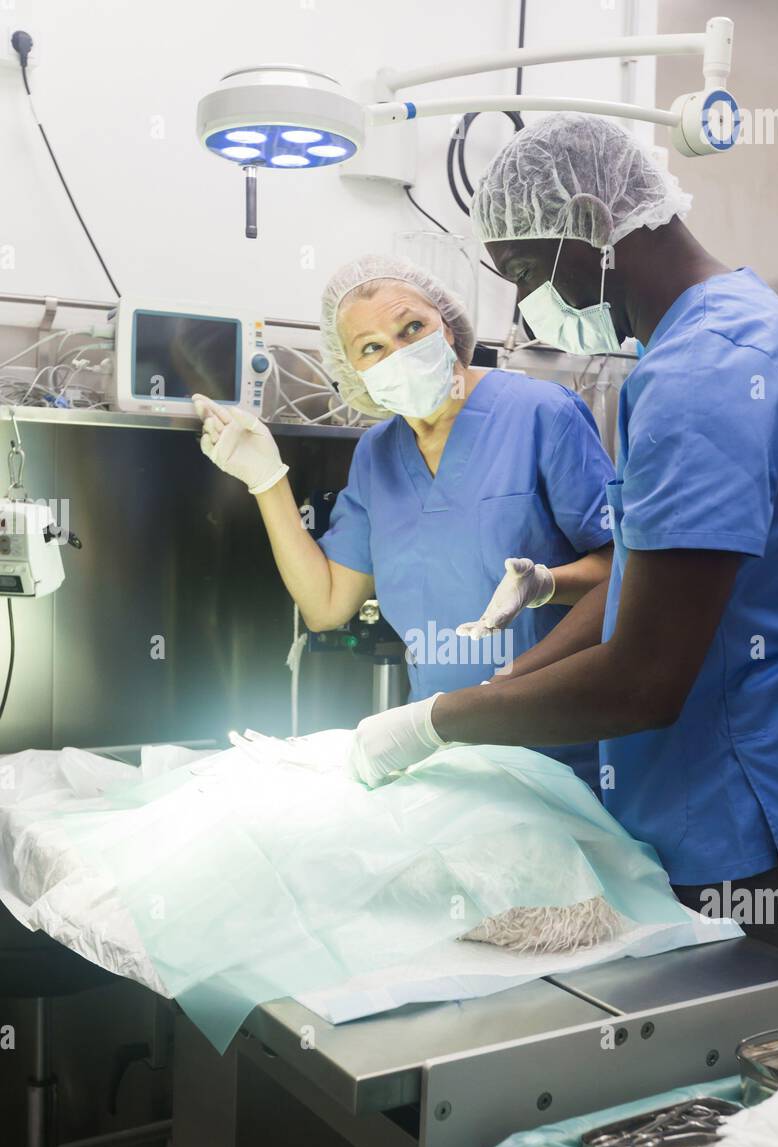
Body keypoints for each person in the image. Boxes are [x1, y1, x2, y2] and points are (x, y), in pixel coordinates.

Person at [348, 114, 778, 968]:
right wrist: (516, 677)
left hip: (757, 809)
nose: (519, 307)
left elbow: (644, 677)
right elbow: (635, 590)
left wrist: (434, 724)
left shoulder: (705, 374)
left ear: (586, 224)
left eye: (523, 273)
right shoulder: (724, 332)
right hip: (764, 787)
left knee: (734, 1070)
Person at [192, 254, 613, 788]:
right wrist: (267, 481)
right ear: (354, 371)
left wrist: (547, 585)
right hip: (439, 750)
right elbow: (326, 605)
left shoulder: (541, 414)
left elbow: (627, 571)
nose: (400, 352)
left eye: (412, 327)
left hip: (554, 747)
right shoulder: (377, 454)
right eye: (372, 348)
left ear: (449, 326)